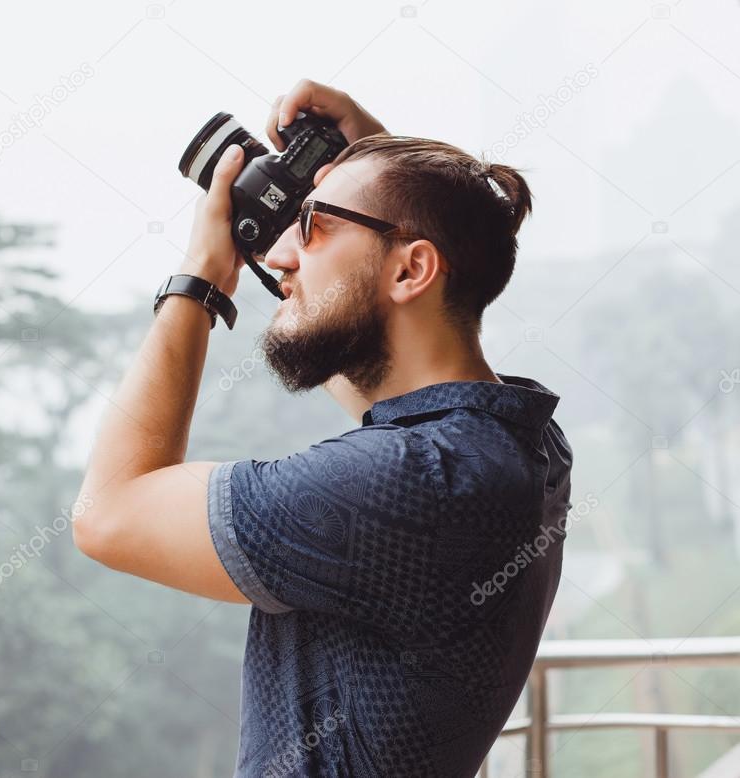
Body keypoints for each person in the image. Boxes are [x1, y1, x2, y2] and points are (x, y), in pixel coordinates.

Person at [72, 78, 574, 777]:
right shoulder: (519, 441)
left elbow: (108, 513)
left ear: (412, 269)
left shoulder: (410, 481)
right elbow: (386, 346)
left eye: (310, 227)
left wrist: (200, 276)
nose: (280, 257)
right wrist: (369, 166)